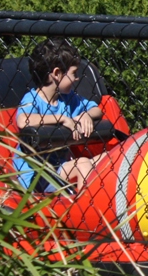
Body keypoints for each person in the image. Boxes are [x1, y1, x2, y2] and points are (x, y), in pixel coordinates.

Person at [14, 38, 103, 192]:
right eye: (73, 73)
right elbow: (23, 120)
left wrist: (85, 114)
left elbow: (97, 110)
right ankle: (84, 209)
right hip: (36, 175)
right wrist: (62, 119)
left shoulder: (67, 99)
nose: (77, 79)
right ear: (57, 73)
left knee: (107, 158)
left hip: (59, 168)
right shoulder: (33, 99)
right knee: (82, 163)